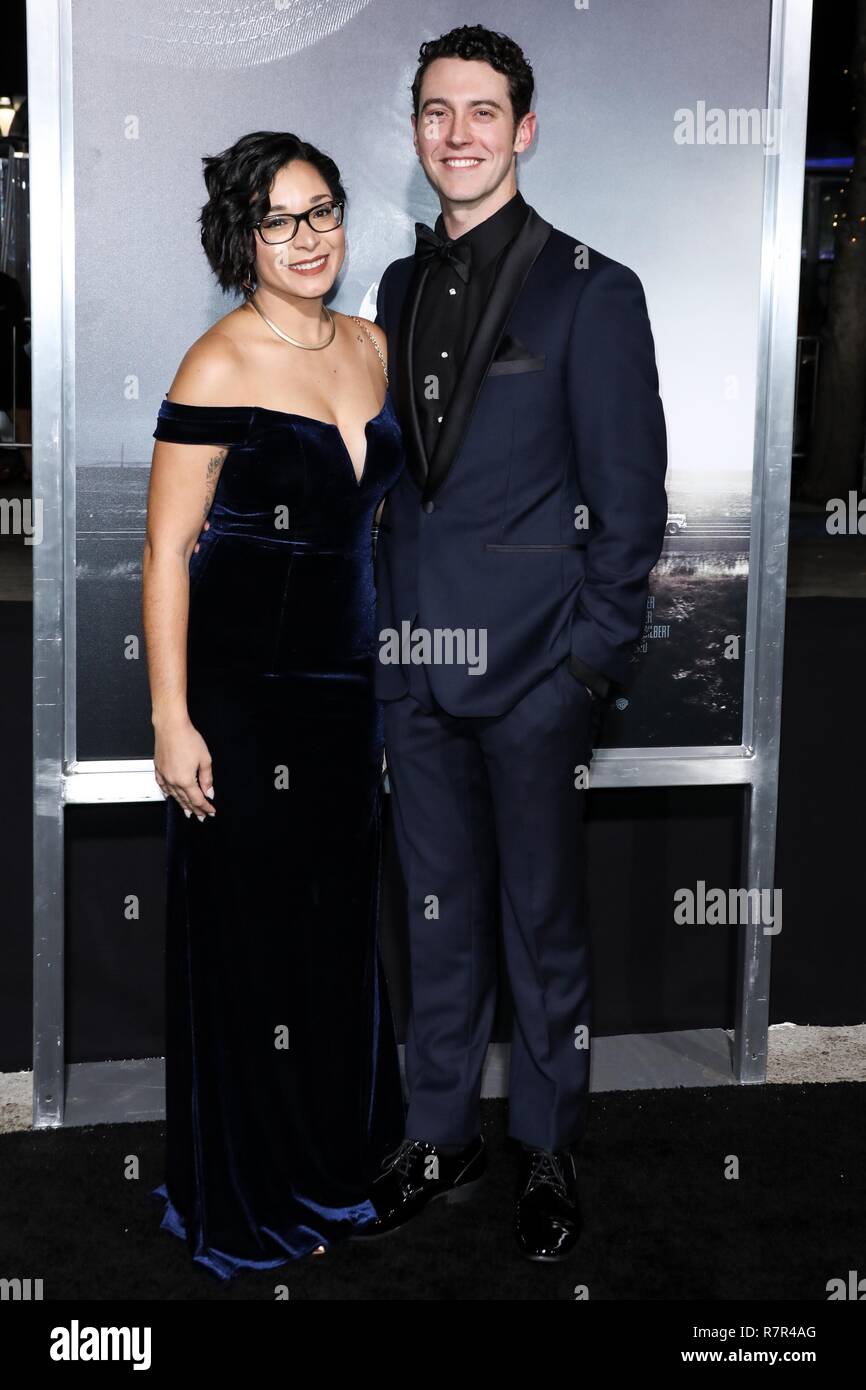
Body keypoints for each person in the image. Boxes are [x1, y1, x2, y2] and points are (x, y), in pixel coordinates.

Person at [356, 26, 669, 1262]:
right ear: (417, 129)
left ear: (522, 130)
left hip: (538, 673)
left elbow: (628, 508)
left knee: (539, 927)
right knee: (431, 916)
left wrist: (584, 668)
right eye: (437, 113)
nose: (458, 135)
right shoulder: (390, 283)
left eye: (482, 113)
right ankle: (441, 1135)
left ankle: (545, 1147)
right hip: (413, 673)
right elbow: (400, 484)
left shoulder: (594, 287)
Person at [142, 131, 406, 1280]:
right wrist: (170, 720)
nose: (310, 238)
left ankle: (337, 1165)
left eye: (323, 211)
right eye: (281, 220)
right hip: (240, 700)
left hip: (347, 697)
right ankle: (248, 1192)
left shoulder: (375, 346)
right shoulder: (216, 363)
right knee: (251, 947)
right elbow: (163, 559)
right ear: (241, 240)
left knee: (335, 936)